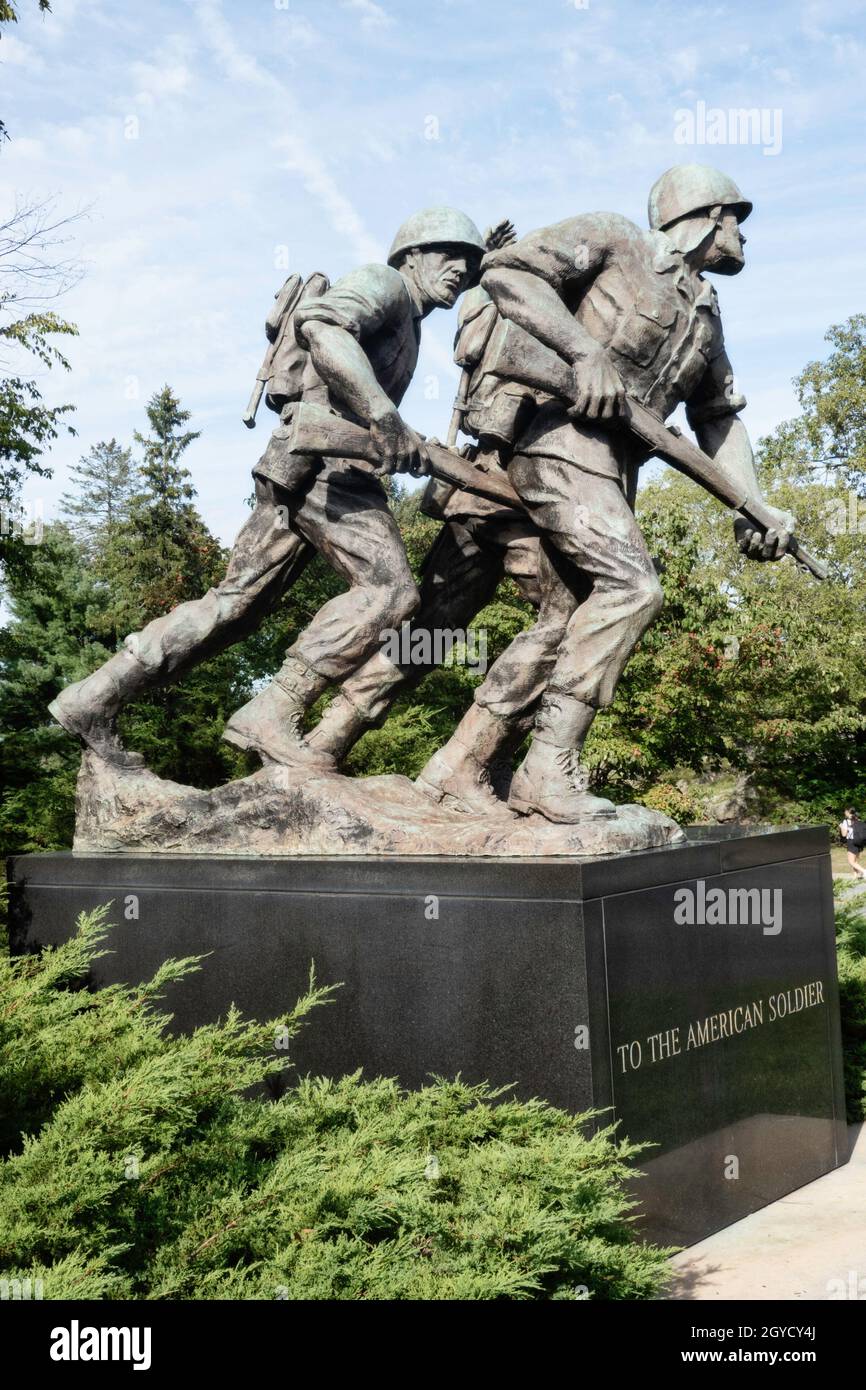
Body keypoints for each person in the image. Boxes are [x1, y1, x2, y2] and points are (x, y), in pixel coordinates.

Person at [415, 164, 797, 824]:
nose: (743, 234)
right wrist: (583, 352)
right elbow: (508, 274)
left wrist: (752, 508)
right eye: (738, 217)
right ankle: (546, 769)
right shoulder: (616, 239)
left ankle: (458, 765)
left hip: (614, 469)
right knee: (631, 589)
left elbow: (719, 417)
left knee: (565, 618)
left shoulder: (706, 315)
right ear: (709, 215)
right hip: (558, 442)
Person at [49, 208, 491, 770]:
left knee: (234, 605)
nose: (460, 269)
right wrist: (383, 415)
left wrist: (492, 263)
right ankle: (273, 710)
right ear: (410, 255)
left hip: (304, 465)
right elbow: (323, 327)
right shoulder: (385, 285)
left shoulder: (413, 319)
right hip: (329, 466)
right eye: (448, 254)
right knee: (390, 593)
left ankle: (93, 698)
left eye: (470, 262)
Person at [839, 808, 866, 880]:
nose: (844, 812)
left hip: (851, 842)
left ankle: (864, 871)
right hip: (859, 842)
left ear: (848, 812)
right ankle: (855, 875)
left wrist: (841, 827)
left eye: (845, 811)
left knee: (851, 861)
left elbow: (844, 834)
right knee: (855, 861)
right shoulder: (857, 818)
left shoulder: (846, 821)